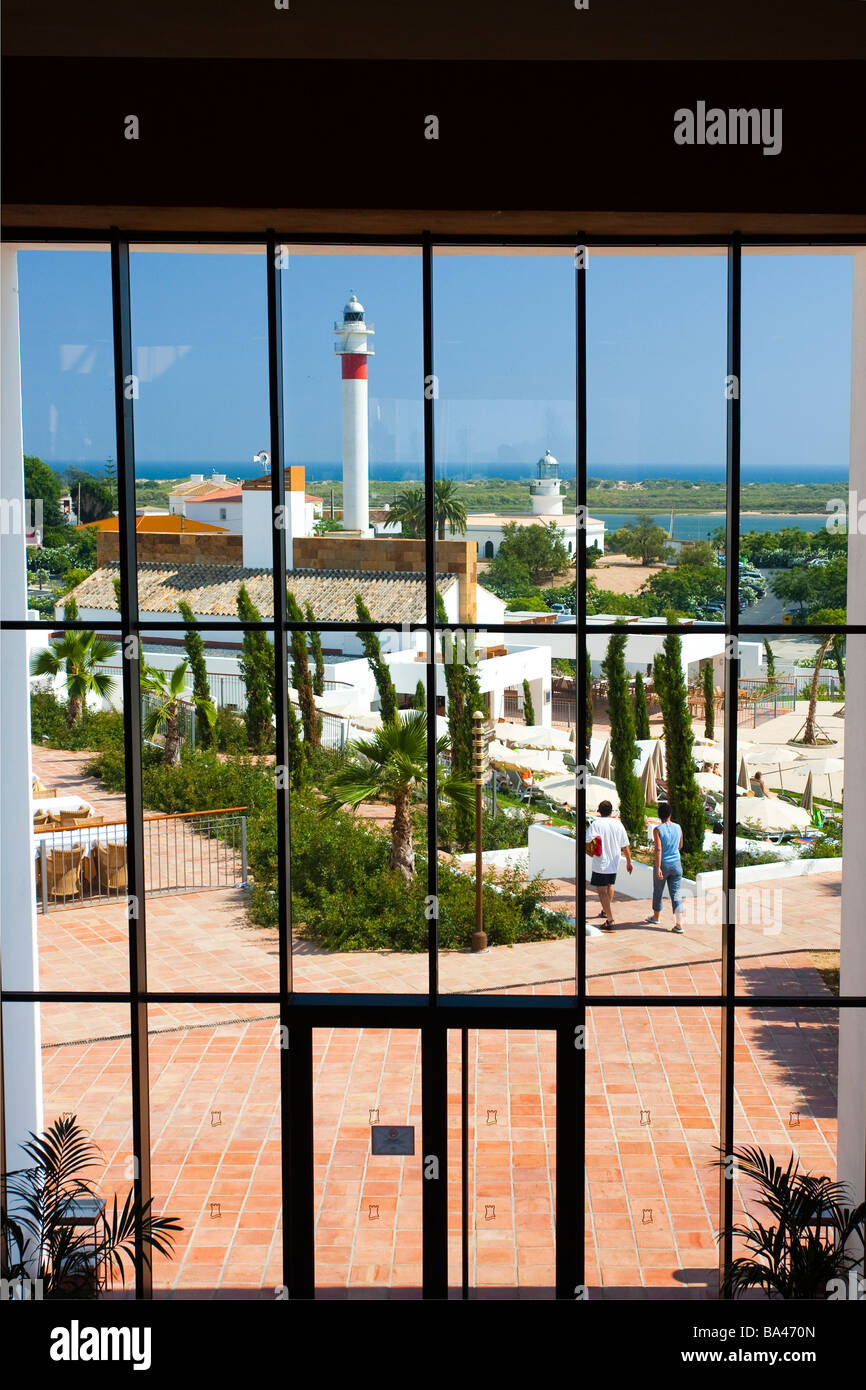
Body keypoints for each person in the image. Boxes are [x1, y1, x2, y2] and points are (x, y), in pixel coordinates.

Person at [585, 800, 632, 931]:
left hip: (601, 862)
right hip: (614, 862)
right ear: (611, 811)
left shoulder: (596, 824)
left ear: (599, 811)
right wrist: (629, 861)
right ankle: (606, 911)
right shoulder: (618, 824)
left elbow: (586, 840)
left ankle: (610, 919)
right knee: (610, 885)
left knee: (601, 891)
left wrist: (589, 852)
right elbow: (625, 845)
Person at [646, 802, 685, 933]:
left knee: (658, 890)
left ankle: (656, 917)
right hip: (676, 864)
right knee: (676, 893)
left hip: (663, 864)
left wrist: (658, 868)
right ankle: (679, 924)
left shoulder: (658, 830)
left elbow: (658, 849)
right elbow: (680, 846)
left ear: (659, 815)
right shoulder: (678, 827)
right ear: (670, 814)